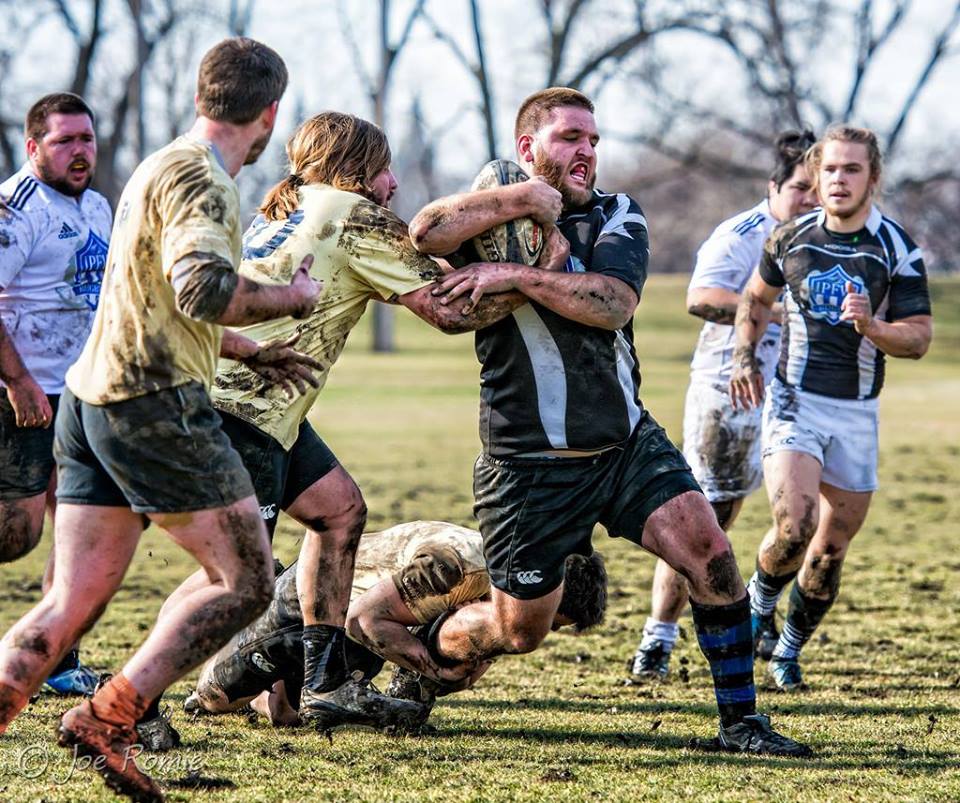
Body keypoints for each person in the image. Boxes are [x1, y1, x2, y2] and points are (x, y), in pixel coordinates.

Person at [407, 87, 810, 756]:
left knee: (710, 554)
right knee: (519, 630)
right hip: (528, 465)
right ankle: (423, 652)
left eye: (593, 139)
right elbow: (425, 232)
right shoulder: (487, 218)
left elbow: (612, 302)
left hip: (625, 445)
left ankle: (742, 724)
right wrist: (518, 205)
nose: (587, 151)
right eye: (570, 137)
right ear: (528, 148)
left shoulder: (618, 215)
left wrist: (517, 276)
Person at [155, 110, 569, 735]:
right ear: (354, 169)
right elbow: (452, 312)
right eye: (383, 168)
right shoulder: (354, 214)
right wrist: (542, 273)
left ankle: (325, 683)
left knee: (339, 511)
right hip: (244, 408)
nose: (394, 183)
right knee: (238, 576)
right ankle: (132, 701)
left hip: (260, 406)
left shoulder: (286, 208)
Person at [0, 37, 324, 803]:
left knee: (67, 601)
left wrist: (243, 351)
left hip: (88, 400)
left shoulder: (158, 162)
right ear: (271, 111)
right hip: (149, 405)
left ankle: (65, 711)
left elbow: (152, 298)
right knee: (246, 580)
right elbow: (202, 289)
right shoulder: (204, 180)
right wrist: (294, 298)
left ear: (201, 97)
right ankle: (105, 718)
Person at [729, 125, 932, 691]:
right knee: (795, 526)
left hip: (857, 411)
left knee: (828, 551)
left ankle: (787, 652)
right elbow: (754, 298)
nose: (839, 180)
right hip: (795, 400)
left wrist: (872, 326)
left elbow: (917, 339)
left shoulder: (896, 248)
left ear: (873, 178)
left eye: (852, 170)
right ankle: (757, 607)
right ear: (815, 176)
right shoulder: (788, 238)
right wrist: (744, 359)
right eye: (830, 170)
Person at [627, 130, 818, 680]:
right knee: (706, 519)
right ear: (774, 186)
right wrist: (775, 311)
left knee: (799, 518)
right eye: (800, 188)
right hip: (728, 393)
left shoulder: (827, 239)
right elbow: (700, 297)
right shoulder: (740, 235)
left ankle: (762, 620)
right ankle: (657, 640)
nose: (810, 199)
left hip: (798, 394)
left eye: (816, 189)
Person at [184, 520, 607, 728]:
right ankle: (241, 614)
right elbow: (363, 619)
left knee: (286, 717)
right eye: (550, 621)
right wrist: (435, 670)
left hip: (356, 632)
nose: (540, 630)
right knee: (216, 696)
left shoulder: (502, 583)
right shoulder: (455, 568)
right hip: (309, 604)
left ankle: (278, 690)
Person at [0, 92, 113, 696]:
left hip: (83, 395)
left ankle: (57, 658)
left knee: (80, 528)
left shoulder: (98, 207)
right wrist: (17, 381)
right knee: (14, 537)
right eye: (65, 140)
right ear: (34, 146)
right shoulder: (16, 207)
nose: (79, 151)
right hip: (23, 394)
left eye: (86, 139)